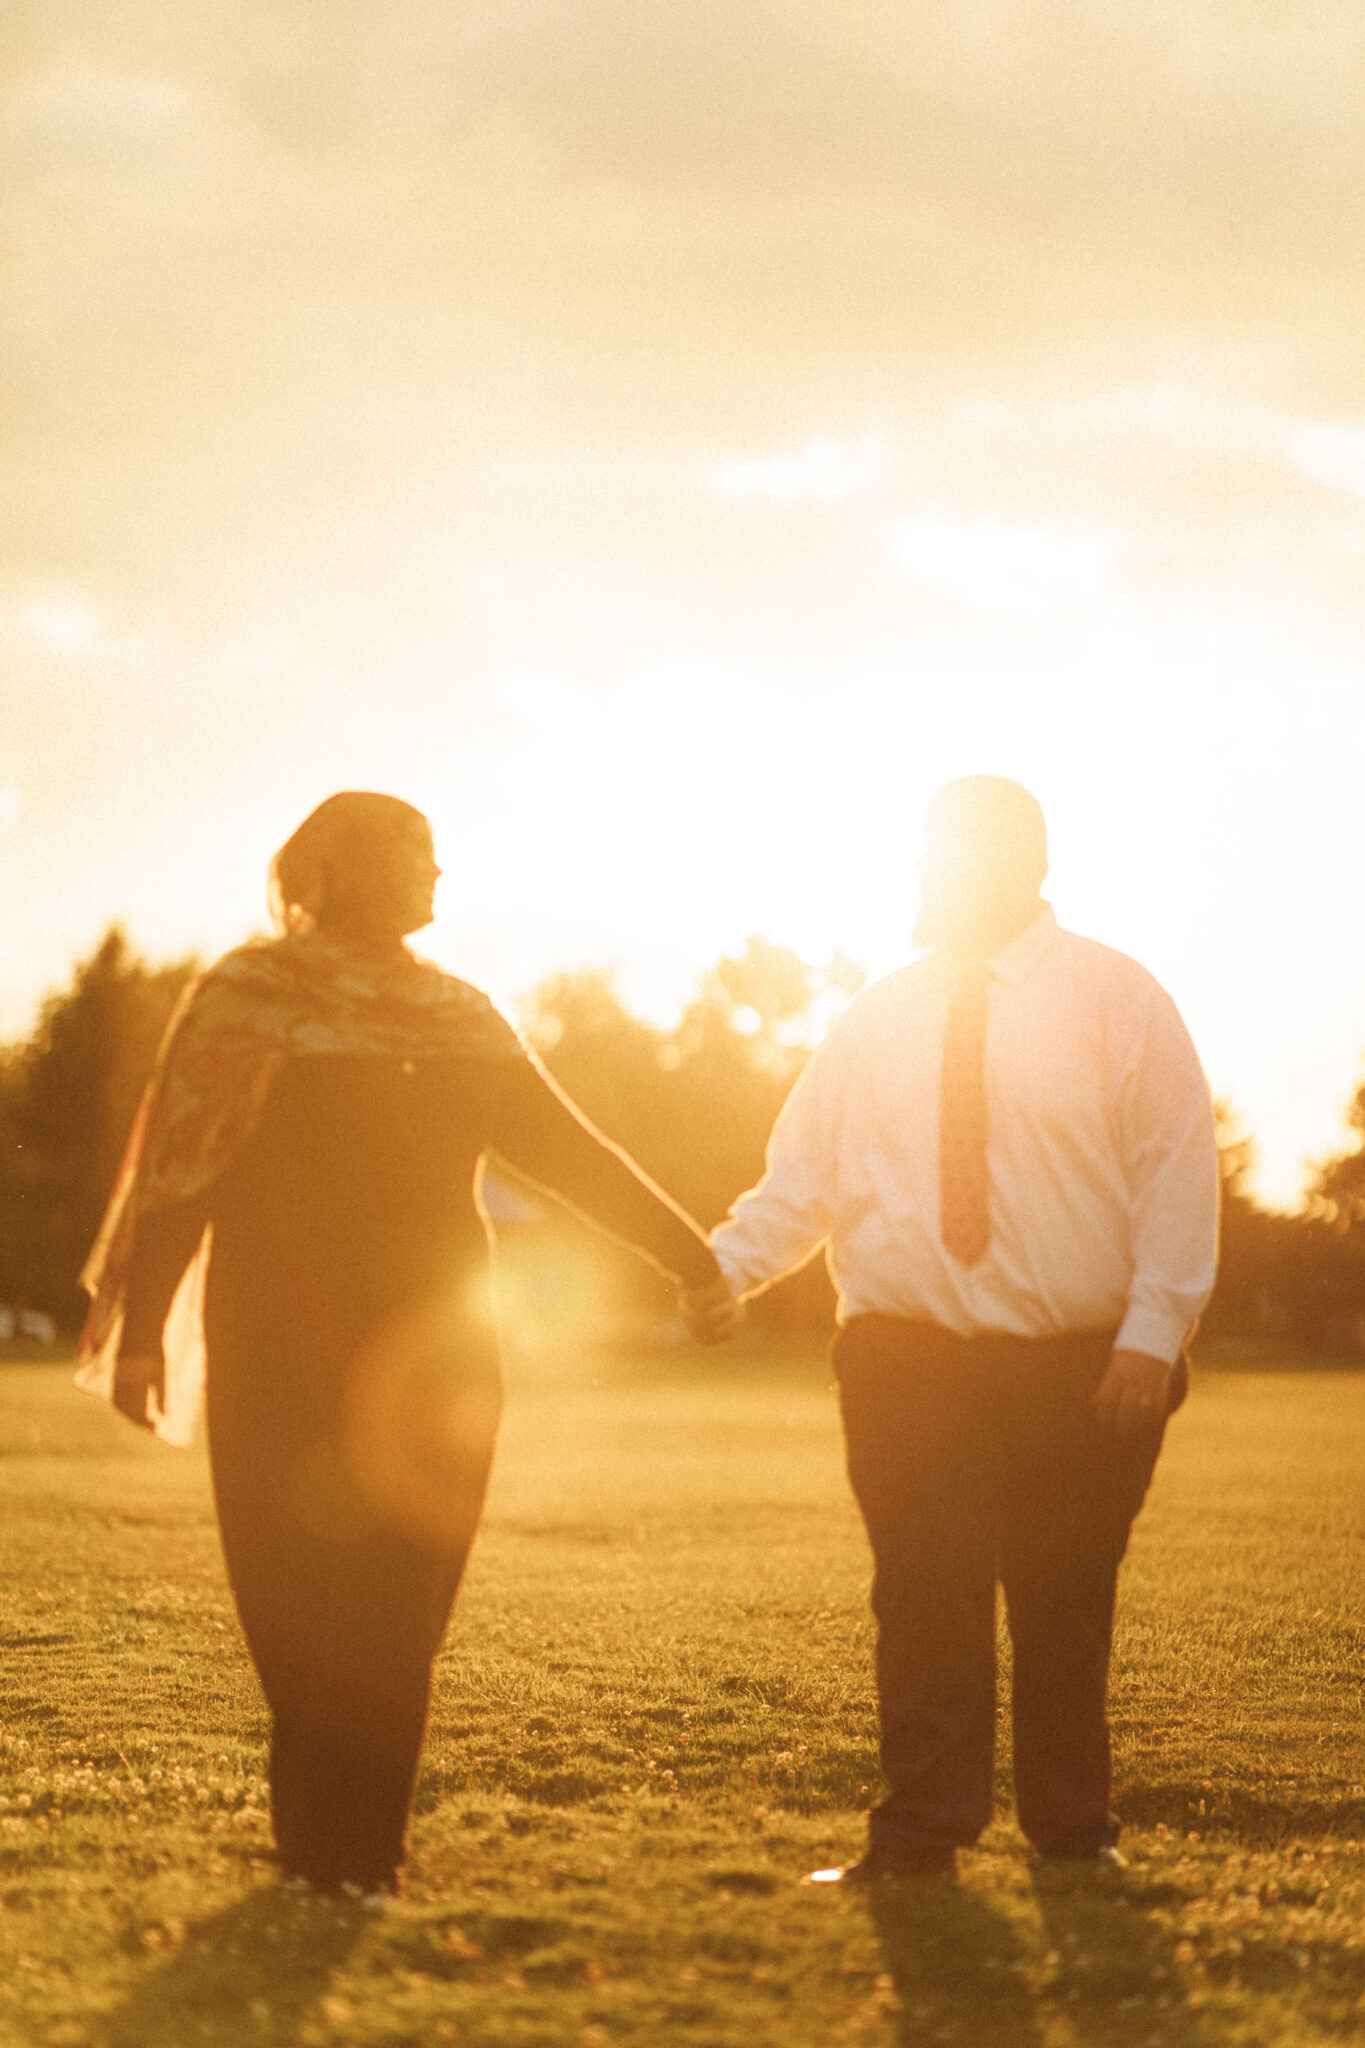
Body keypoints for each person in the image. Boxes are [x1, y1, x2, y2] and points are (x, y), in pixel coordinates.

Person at [78, 791, 722, 1899]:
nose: (436, 874)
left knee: (398, 1595)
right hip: (275, 1342)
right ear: (342, 869)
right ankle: (315, 1844)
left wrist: (691, 1255)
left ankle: (359, 1854)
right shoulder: (247, 1002)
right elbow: (184, 1173)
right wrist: (141, 1342)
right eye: (415, 854)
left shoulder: (458, 1017)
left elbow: (572, 1153)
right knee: (285, 1589)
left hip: (435, 1354)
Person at [683, 776, 1219, 1883]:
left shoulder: (1119, 999)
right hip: (906, 1359)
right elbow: (801, 1180)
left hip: (1082, 1365)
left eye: (947, 854)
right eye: (924, 853)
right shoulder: (876, 1015)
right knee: (924, 1594)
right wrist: (725, 1270)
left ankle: (1072, 1833)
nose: (926, 873)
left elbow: (1175, 1170)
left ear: (1024, 863)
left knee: (1064, 1600)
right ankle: (919, 1838)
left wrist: (1150, 1332)